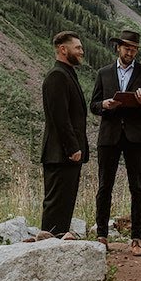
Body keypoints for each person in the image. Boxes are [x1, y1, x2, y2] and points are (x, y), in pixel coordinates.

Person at [90, 29, 141, 256]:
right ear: (118, 47)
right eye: (127, 47)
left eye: (134, 48)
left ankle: (136, 239)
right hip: (109, 136)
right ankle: (102, 235)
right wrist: (105, 105)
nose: (130, 51)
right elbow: (93, 105)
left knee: (137, 187)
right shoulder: (104, 73)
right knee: (104, 186)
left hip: (136, 137)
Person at [40, 31, 89, 238]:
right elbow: (60, 117)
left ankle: (56, 243)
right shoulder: (57, 76)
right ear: (63, 49)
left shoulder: (66, 73)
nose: (81, 51)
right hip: (61, 153)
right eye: (77, 48)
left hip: (64, 153)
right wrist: (73, 147)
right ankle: (48, 245)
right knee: (56, 203)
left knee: (64, 203)